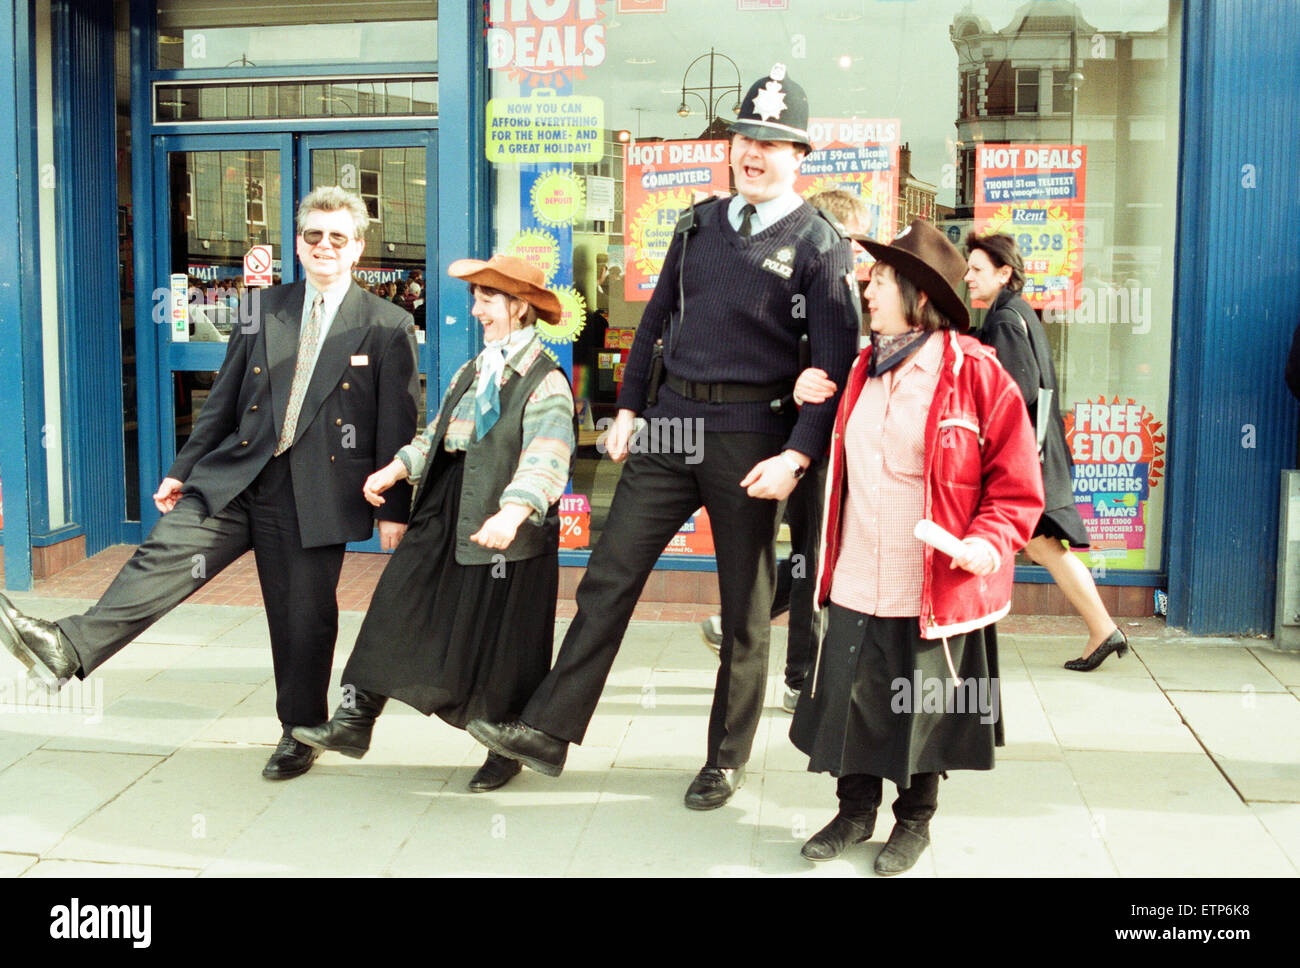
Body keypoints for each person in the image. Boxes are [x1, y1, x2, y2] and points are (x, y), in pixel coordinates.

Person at [467, 64, 861, 811]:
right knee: (609, 578)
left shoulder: (821, 244)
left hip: (755, 432)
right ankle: (550, 730)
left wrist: (797, 455)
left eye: (772, 144)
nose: (753, 152)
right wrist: (628, 407)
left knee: (745, 608)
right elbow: (653, 325)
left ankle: (726, 757)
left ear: (799, 157)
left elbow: (833, 368)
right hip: (672, 423)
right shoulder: (696, 222)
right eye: (745, 137)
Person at [0, 186, 419, 781]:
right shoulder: (262, 307)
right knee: (163, 557)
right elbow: (222, 402)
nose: (323, 246)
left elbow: (398, 422)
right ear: (298, 245)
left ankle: (299, 732)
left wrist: (393, 511)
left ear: (358, 248)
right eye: (312, 236)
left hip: (314, 496)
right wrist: (181, 468)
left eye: (337, 237)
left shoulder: (387, 323)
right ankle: (66, 647)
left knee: (302, 621)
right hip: (238, 476)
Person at [789, 220, 1043, 874]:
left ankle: (914, 822)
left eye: (880, 281)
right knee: (850, 697)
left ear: (920, 296)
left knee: (919, 708)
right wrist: (802, 394)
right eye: (867, 278)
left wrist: (988, 541)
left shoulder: (975, 374)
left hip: (928, 583)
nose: (866, 290)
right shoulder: (857, 370)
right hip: (854, 576)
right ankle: (852, 811)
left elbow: (1016, 484)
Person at [291, 255, 575, 793]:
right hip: (446, 505)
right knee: (395, 603)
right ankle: (354, 721)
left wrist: (511, 513)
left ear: (518, 307)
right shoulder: (477, 368)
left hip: (503, 521)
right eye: (477, 299)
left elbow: (548, 456)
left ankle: (503, 750)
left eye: (487, 299)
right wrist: (396, 468)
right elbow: (437, 435)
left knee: (503, 642)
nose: (476, 309)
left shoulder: (546, 380)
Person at [699, 188, 871, 715]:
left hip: (795, 445)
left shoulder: (855, 291)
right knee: (808, 556)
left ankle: (746, 638)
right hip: (804, 449)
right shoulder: (831, 283)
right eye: (854, 241)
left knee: (800, 558)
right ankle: (799, 675)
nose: (857, 256)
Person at [964, 231, 1127, 671]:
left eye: (978, 269)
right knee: (1041, 545)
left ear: (1005, 273)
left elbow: (1014, 388)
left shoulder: (1003, 319)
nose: (969, 276)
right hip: (1038, 454)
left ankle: (1102, 628)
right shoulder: (1015, 312)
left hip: (1025, 458)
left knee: (1038, 545)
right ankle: (1102, 628)